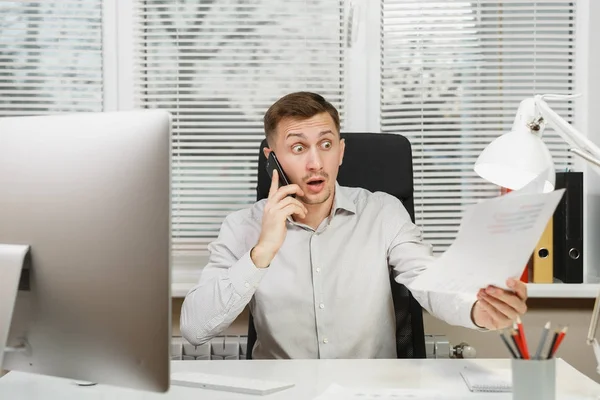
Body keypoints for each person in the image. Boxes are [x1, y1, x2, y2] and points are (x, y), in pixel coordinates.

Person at [180, 91, 528, 359]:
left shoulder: (383, 212)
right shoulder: (242, 226)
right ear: (273, 161)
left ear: (341, 152)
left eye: (326, 145)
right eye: (298, 147)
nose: (316, 162)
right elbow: (195, 329)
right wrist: (261, 253)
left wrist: (477, 309)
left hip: (371, 390)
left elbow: (429, 280)